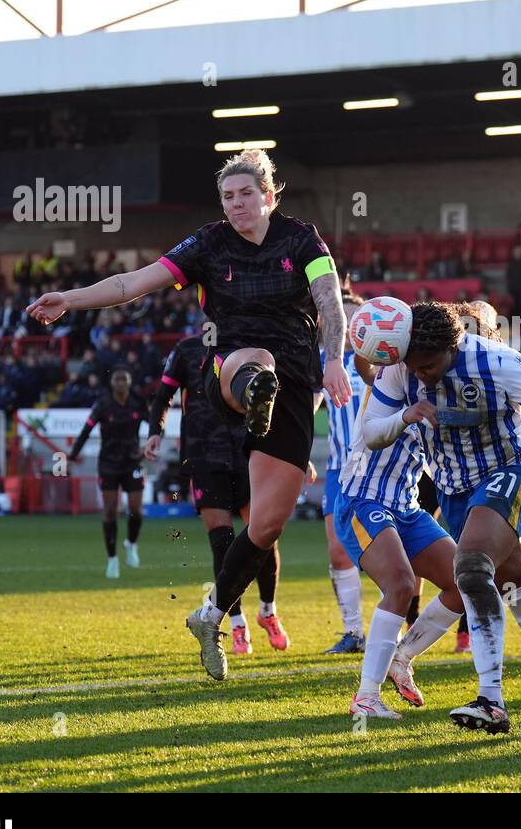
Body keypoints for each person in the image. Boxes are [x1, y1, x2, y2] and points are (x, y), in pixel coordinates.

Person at [27, 149, 351, 680]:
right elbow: (132, 283)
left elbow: (330, 301)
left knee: (266, 526)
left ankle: (210, 615)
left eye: (247, 194)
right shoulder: (208, 242)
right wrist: (71, 299)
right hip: (229, 367)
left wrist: (333, 360)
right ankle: (253, 392)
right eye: (228, 196)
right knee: (256, 360)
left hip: (296, 386)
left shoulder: (303, 239)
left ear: (269, 196)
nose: (237, 204)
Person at [362, 301, 521, 734]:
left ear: (454, 346)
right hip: (453, 486)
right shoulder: (399, 366)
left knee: (469, 569)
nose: (422, 374)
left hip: (511, 471)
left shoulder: (496, 361)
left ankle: (492, 701)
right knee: (513, 587)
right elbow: (370, 433)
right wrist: (404, 416)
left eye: (430, 366)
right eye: (416, 366)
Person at [335, 351, 466, 719]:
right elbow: (365, 367)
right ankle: (366, 698)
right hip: (363, 498)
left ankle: (402, 656)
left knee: (463, 581)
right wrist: (365, 339)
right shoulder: (391, 377)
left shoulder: (450, 392)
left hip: (407, 507)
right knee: (400, 584)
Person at [145, 334, 289, 656]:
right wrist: (155, 430)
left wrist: (292, 451)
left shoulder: (247, 349)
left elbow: (271, 402)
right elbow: (164, 394)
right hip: (203, 455)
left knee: (262, 536)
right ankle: (235, 623)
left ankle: (268, 611)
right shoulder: (186, 350)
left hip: (246, 450)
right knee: (222, 542)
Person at [317, 291, 369, 655]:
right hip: (338, 469)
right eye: (341, 319)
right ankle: (353, 632)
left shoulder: (383, 360)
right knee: (338, 553)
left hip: (378, 468)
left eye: (353, 320)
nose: (347, 327)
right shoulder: (322, 361)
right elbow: (308, 409)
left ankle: (393, 626)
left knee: (391, 555)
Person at [69, 367, 148, 578]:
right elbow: (86, 430)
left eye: (124, 379)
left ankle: (131, 544)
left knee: (135, 509)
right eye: (117, 379)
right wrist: (72, 454)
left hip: (132, 462)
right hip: (108, 464)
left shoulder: (138, 403)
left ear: (130, 382)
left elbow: (157, 427)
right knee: (111, 510)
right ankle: (112, 559)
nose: (121, 382)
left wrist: (150, 444)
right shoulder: (103, 405)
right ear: (111, 383)